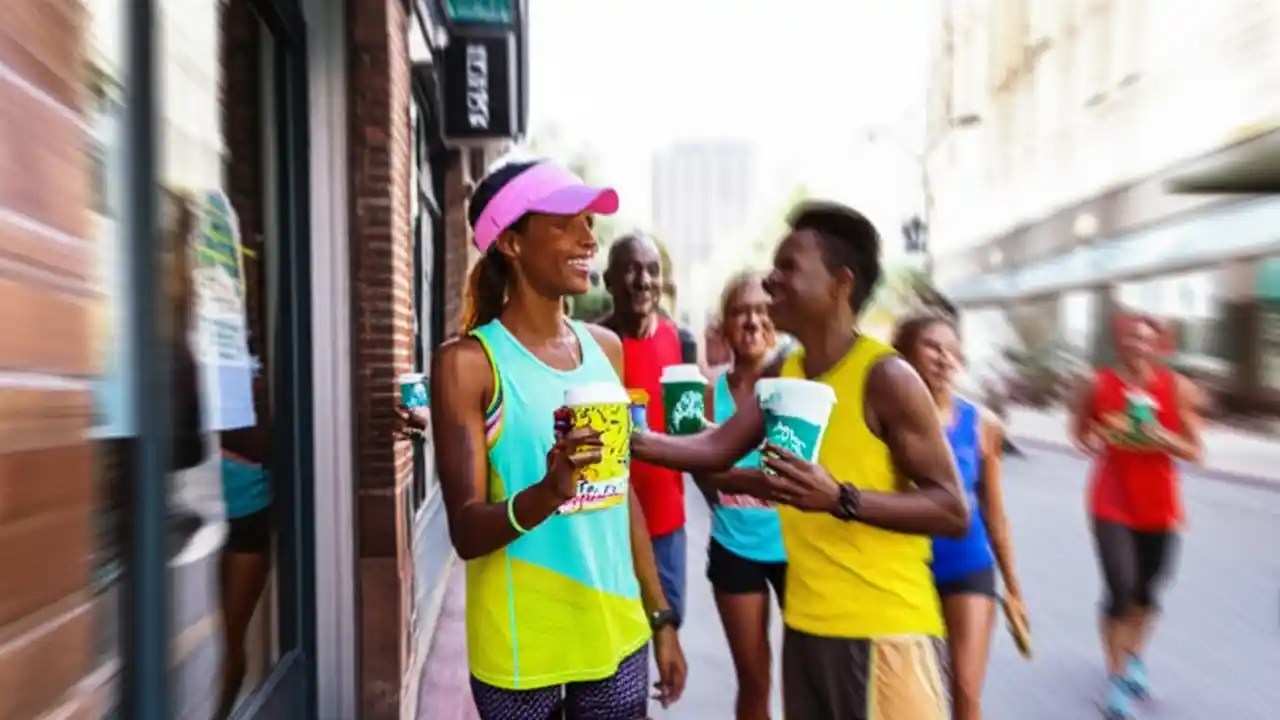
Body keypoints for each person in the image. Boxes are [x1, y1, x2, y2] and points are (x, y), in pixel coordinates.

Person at [630, 200, 969, 720]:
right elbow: (713, 450)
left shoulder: (887, 378)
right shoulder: (782, 371)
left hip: (885, 633)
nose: (771, 279)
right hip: (808, 632)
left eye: (789, 267)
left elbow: (951, 509)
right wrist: (624, 436)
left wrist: (841, 498)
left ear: (840, 284)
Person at [431, 159, 686, 720]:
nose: (588, 237)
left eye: (590, 222)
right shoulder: (470, 365)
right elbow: (467, 531)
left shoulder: (606, 349)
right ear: (511, 242)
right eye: (566, 222)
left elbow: (620, 497)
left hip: (615, 637)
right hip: (522, 652)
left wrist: (661, 617)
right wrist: (549, 491)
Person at [893, 313, 1029, 720]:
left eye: (952, 350)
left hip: (969, 565)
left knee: (966, 692)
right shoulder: (887, 421)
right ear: (906, 355)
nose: (943, 358)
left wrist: (1014, 589)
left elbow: (995, 512)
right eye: (932, 347)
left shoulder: (983, 424)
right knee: (917, 692)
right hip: (906, 571)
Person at [1068, 314, 1203, 720]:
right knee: (1121, 589)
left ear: (1157, 344)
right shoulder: (1098, 384)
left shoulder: (1177, 389)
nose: (1138, 345)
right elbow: (1080, 436)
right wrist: (1098, 437)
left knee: (1148, 593)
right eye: (1131, 338)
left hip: (1160, 507)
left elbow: (1195, 451)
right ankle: (1118, 678)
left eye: (1146, 339)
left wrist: (1160, 435)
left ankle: (1135, 654)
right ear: (1120, 343)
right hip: (1110, 502)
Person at [696, 272, 787, 720]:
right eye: (740, 312)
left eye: (762, 310)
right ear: (725, 326)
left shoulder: (798, 388)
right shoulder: (708, 395)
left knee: (809, 678)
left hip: (800, 552)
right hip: (736, 549)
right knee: (755, 680)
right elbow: (700, 466)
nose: (752, 321)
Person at [599, 233, 697, 625]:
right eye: (630, 269)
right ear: (608, 280)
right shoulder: (591, 345)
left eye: (652, 270)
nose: (643, 281)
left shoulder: (682, 342)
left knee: (668, 629)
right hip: (610, 524)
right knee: (620, 646)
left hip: (666, 524)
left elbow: (694, 434)